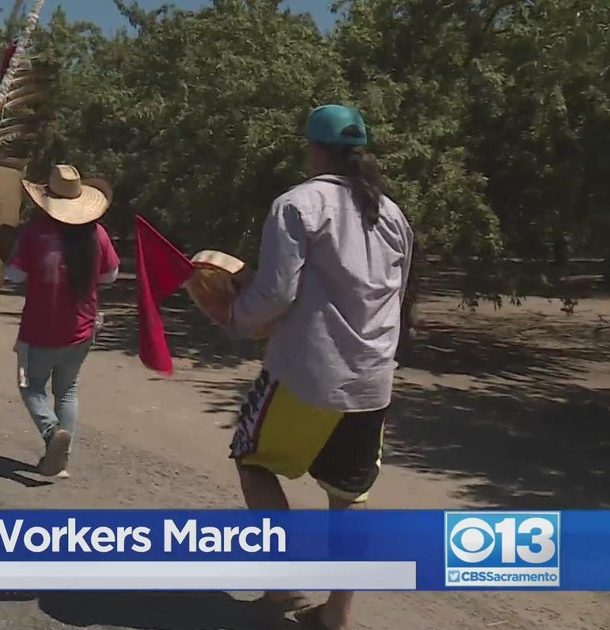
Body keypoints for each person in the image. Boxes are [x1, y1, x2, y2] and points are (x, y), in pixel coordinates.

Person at [209, 104, 413, 630]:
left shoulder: (298, 204)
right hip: (372, 380)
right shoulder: (392, 214)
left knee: (251, 459)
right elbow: (392, 297)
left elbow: (277, 293)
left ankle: (281, 580)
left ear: (314, 149)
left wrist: (233, 314)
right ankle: (336, 616)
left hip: (307, 374)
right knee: (349, 497)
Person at [4, 165, 120, 478]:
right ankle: (61, 460)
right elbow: (110, 275)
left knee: (29, 386)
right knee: (67, 389)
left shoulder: (36, 232)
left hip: (39, 331)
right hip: (82, 329)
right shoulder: (97, 233)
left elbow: (14, 276)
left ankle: (52, 434)